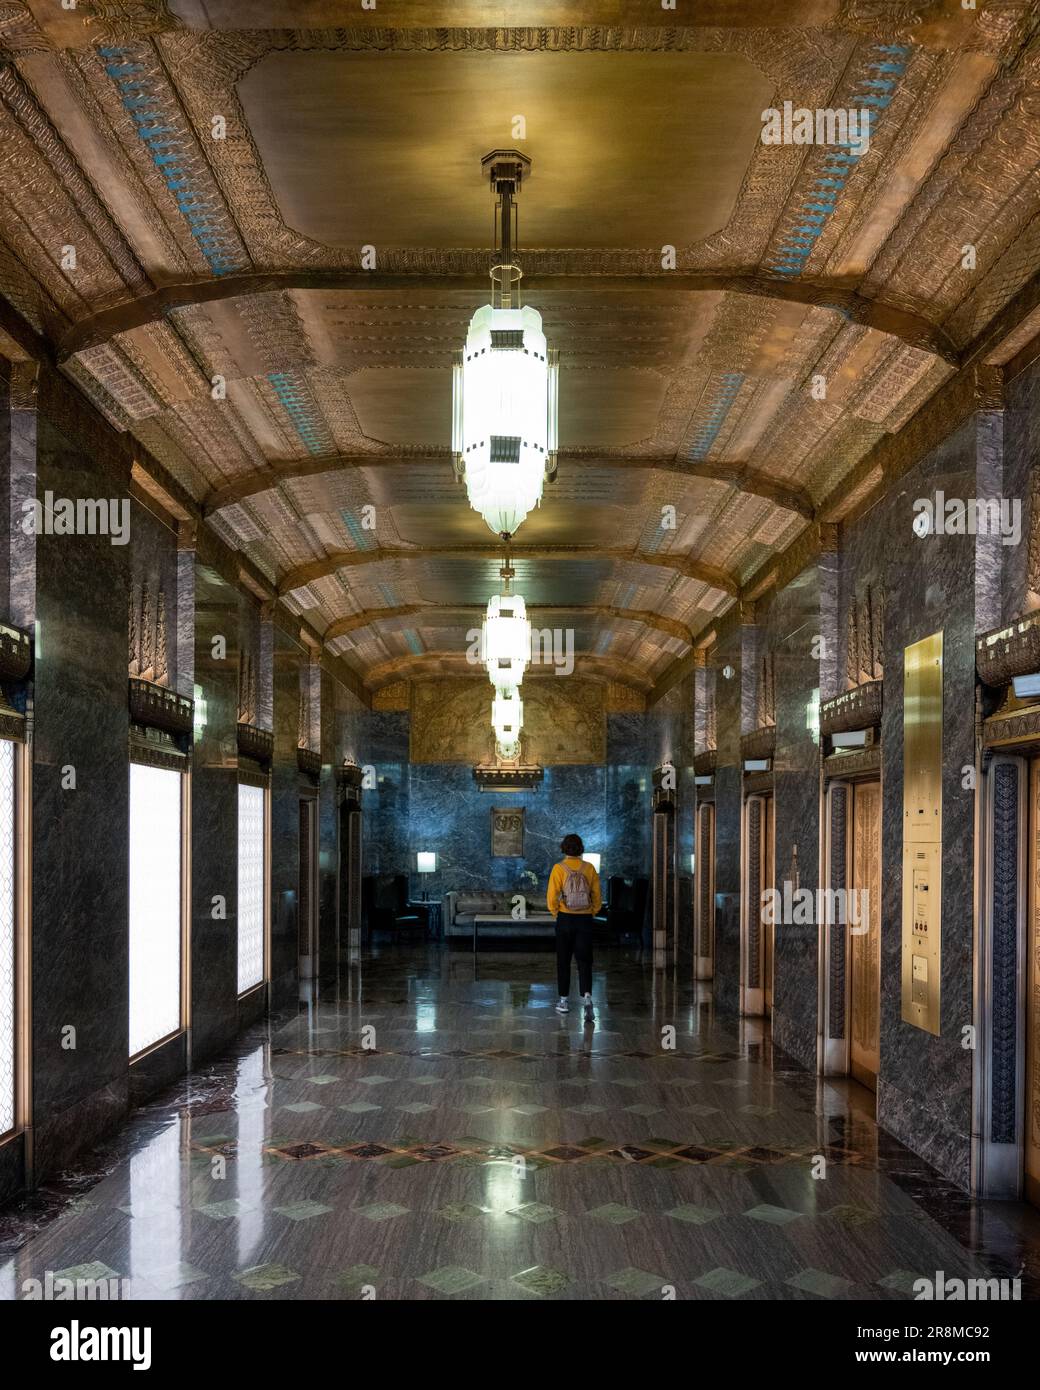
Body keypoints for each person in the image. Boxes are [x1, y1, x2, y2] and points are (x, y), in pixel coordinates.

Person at [546, 834, 602, 1021]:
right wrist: (592, 911)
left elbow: (552, 897)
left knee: (563, 960)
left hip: (565, 919)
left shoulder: (558, 868)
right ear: (580, 848)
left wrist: (557, 913)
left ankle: (563, 1001)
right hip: (585, 919)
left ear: (564, 848)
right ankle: (587, 999)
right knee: (585, 960)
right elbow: (597, 895)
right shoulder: (589, 868)